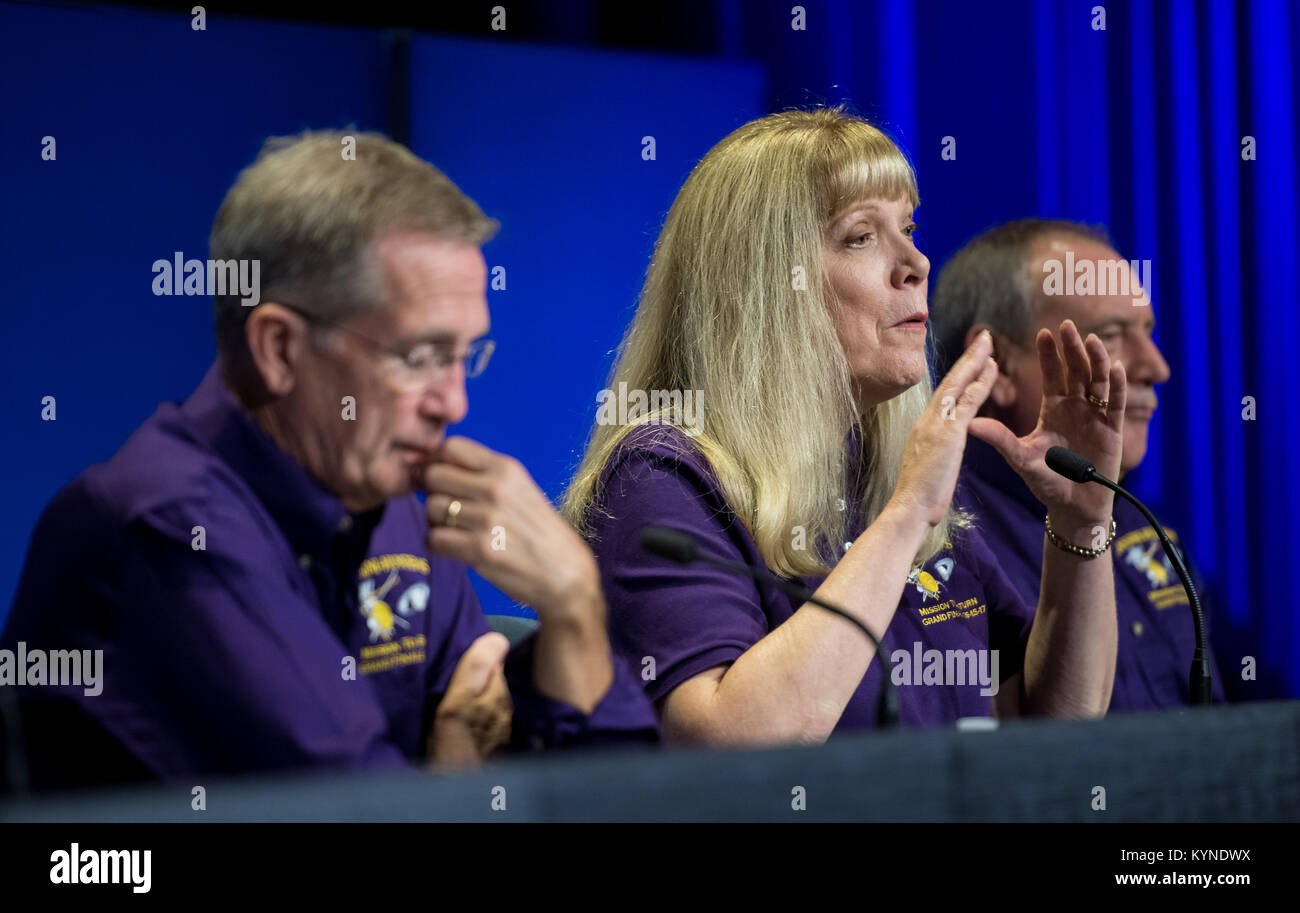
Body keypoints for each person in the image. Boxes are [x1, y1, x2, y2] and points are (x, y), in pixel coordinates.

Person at [1, 131, 656, 790]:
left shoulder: (396, 503)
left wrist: (573, 606)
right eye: (418, 357)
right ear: (280, 348)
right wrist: (454, 767)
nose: (453, 402)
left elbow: (620, 804)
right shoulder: (167, 526)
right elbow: (362, 812)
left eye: (466, 355)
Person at [562, 108, 1125, 746]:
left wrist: (1081, 525)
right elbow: (731, 748)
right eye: (860, 237)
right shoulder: (664, 482)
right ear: (764, 285)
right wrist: (910, 511)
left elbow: (1054, 722)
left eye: (909, 228)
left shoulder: (884, 474)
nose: (916, 262)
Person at [931, 218, 1226, 709]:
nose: (1156, 366)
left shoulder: (1143, 527)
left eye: (1148, 332)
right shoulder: (936, 543)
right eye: (1109, 336)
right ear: (996, 363)